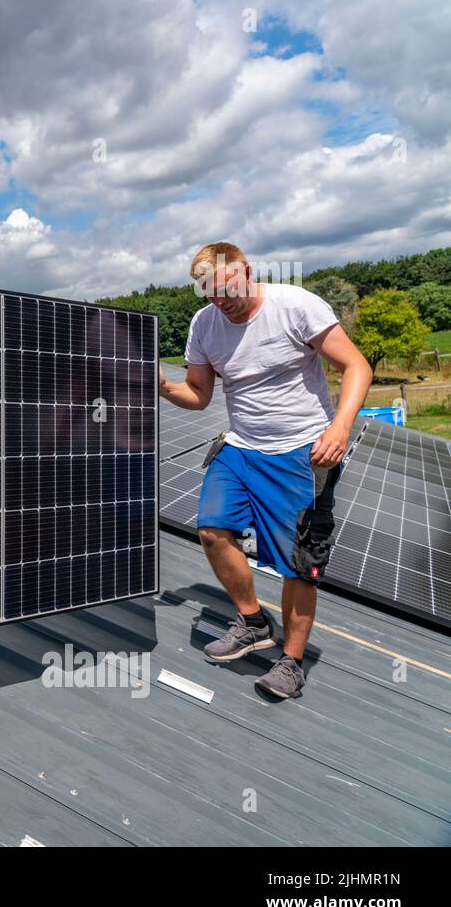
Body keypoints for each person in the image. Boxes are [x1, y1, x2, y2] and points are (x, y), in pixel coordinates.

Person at [159, 242, 372, 699]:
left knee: (298, 563)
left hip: (301, 452)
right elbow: (198, 395)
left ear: (247, 272)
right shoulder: (205, 325)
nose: (222, 301)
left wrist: (340, 427)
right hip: (240, 447)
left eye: (227, 288)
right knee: (213, 530)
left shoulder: (296, 306)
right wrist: (160, 384)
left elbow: (356, 365)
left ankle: (291, 663)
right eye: (210, 293)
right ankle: (253, 621)